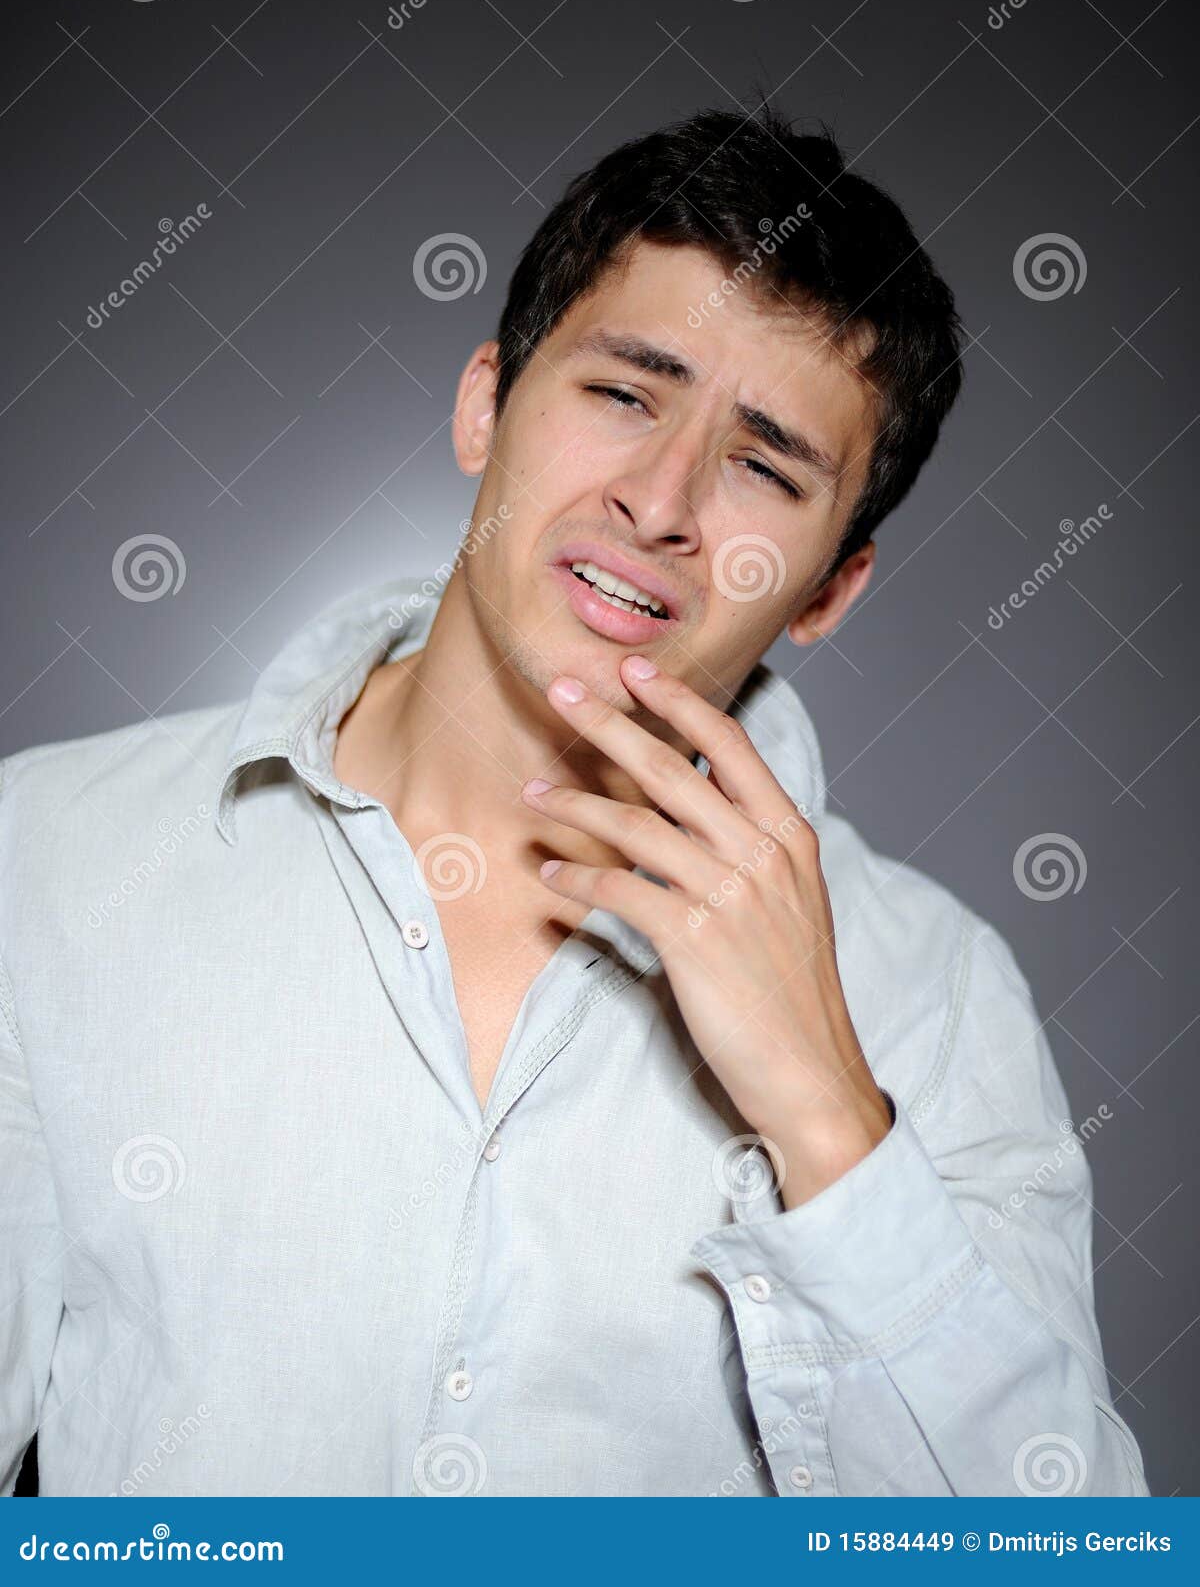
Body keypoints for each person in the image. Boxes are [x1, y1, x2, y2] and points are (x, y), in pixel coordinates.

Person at [0, 106, 1150, 1497]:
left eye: (764, 465)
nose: (660, 502)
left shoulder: (940, 995)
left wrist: (829, 1118)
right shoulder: (47, 862)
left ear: (833, 587)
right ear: (486, 404)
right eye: (623, 392)